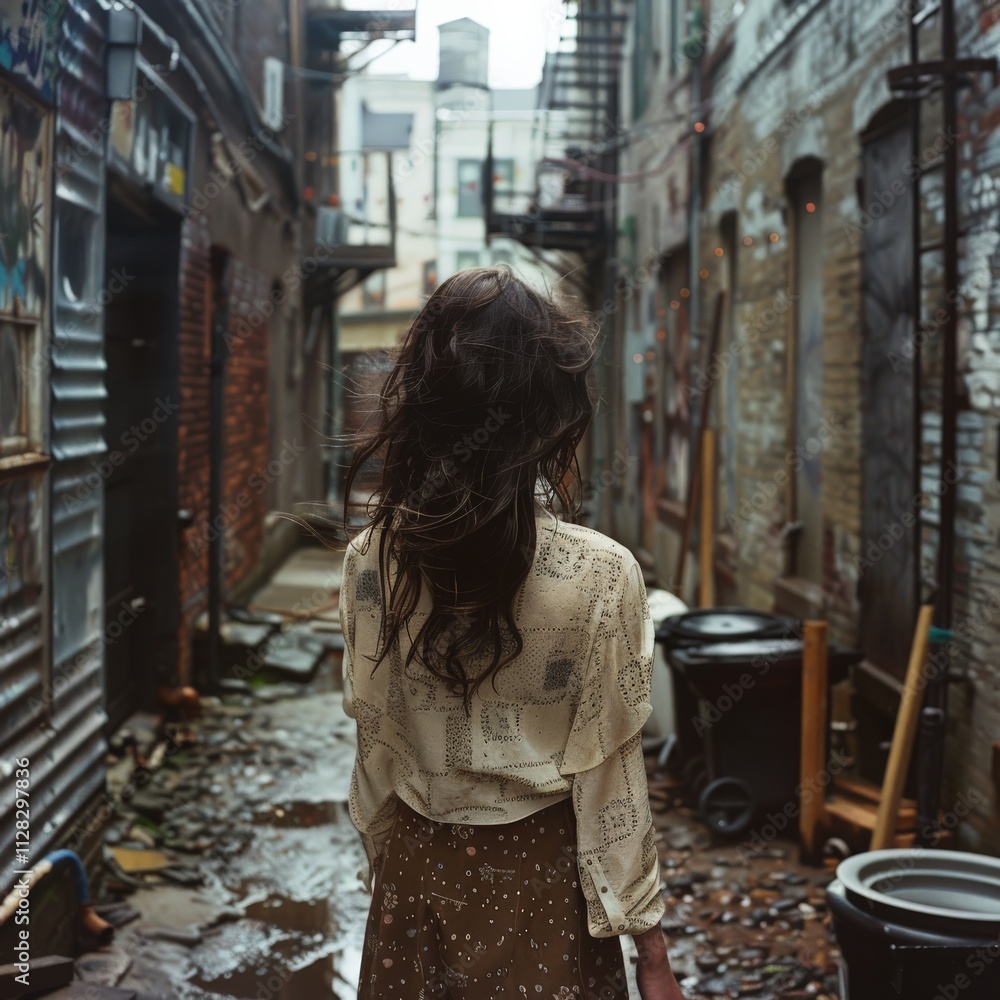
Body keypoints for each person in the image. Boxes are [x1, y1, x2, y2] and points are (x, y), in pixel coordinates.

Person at [338, 266, 685, 999]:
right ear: (549, 411)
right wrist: (650, 951)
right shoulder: (602, 575)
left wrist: (391, 868)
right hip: (542, 890)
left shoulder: (372, 560)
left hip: (415, 873)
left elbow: (376, 746)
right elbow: (610, 781)